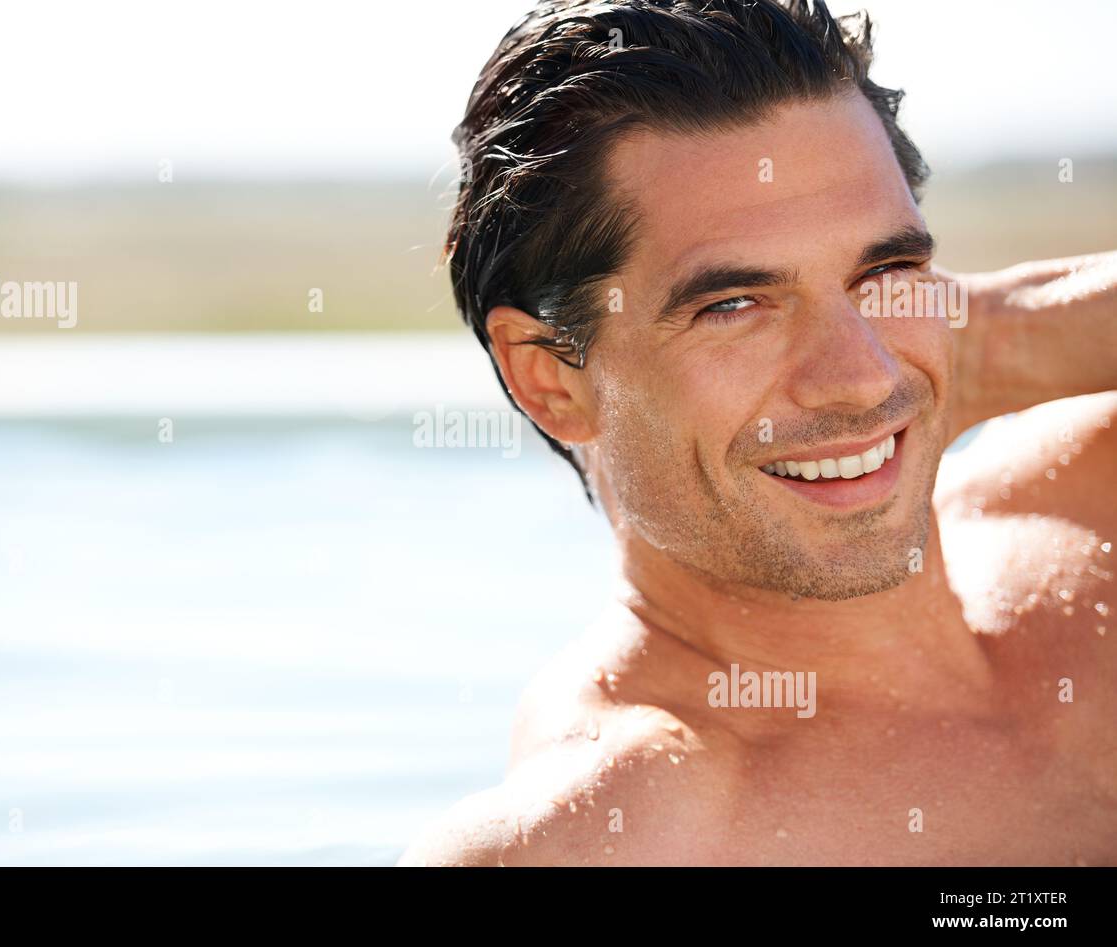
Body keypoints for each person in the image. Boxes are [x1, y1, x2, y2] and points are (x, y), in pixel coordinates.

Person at [400, 0, 1117, 865]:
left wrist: (987, 346)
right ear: (548, 377)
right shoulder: (615, 835)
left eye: (887, 269)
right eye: (733, 306)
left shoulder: (1086, 507)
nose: (861, 376)